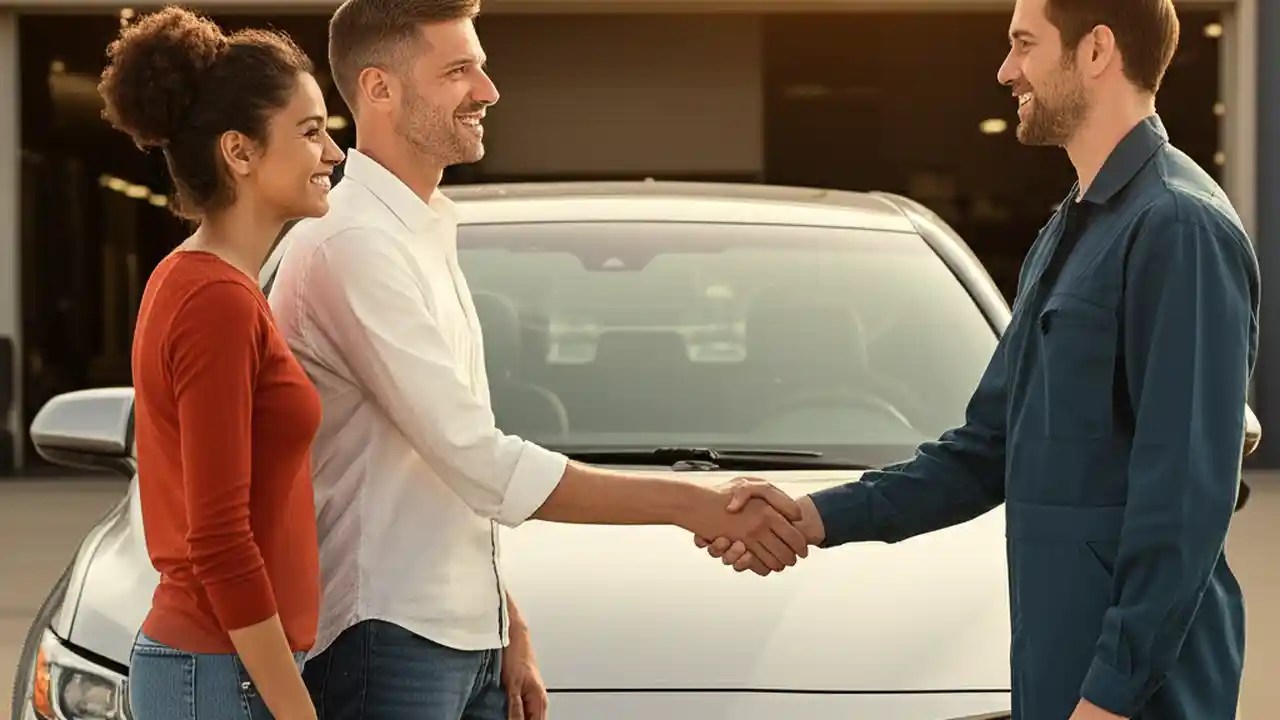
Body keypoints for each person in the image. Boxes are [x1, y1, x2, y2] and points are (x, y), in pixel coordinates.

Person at [700, 1, 1259, 719]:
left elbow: (1184, 498)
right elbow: (985, 449)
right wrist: (811, 516)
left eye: (1023, 45)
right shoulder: (1070, 230)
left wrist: (1111, 697)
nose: (1005, 71)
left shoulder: (1178, 228)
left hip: (1137, 696)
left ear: (1095, 51)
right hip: (1061, 671)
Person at [261, 1, 807, 718]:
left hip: (463, 639)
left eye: (480, 67)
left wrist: (507, 623)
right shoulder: (352, 244)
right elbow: (477, 460)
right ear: (379, 89)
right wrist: (693, 503)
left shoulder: (419, 231)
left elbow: (439, 474)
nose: (487, 91)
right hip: (384, 639)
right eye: (459, 70)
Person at [99, 6, 345, 719]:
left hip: (222, 671)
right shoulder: (214, 300)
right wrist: (294, 709)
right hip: (219, 675)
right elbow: (219, 539)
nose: (331, 153)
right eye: (309, 132)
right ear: (239, 152)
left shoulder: (210, 284)